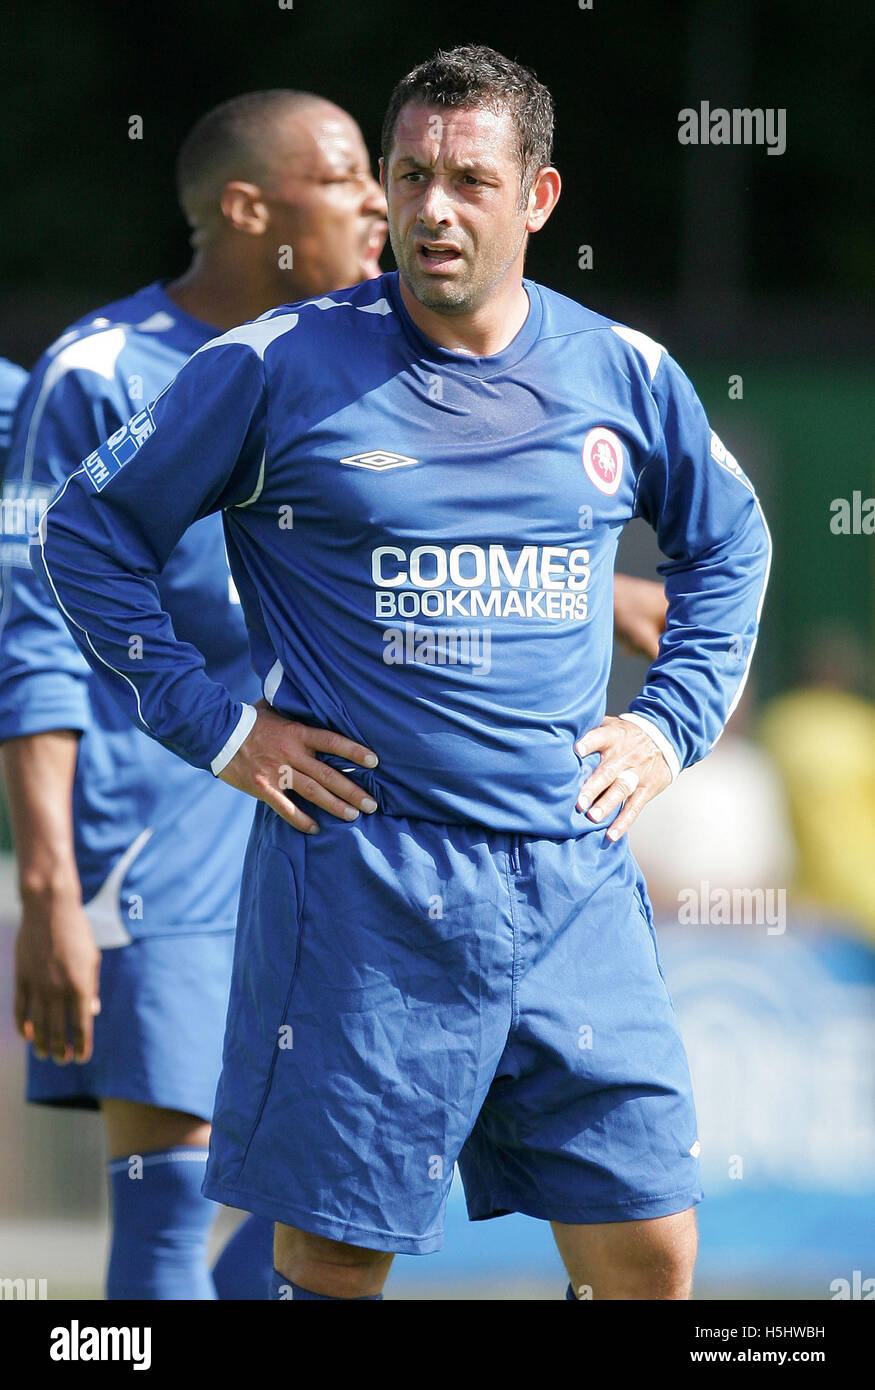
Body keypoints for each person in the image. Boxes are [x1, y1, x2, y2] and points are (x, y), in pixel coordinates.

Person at [32, 45, 771, 1300]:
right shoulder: (277, 364)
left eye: (469, 180)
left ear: (536, 199)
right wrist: (216, 727)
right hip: (364, 882)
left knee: (649, 1249)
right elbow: (85, 531)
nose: (432, 207)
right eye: (411, 174)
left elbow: (729, 541)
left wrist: (666, 725)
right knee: (331, 1258)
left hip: (568, 874)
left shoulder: (622, 370)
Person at [0, 88, 388, 1299]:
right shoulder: (101, 372)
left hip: (319, 838)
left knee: (335, 1209)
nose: (383, 200)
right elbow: (35, 633)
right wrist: (50, 889)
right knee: (168, 1205)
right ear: (245, 207)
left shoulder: (356, 363)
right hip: (152, 849)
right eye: (343, 177)